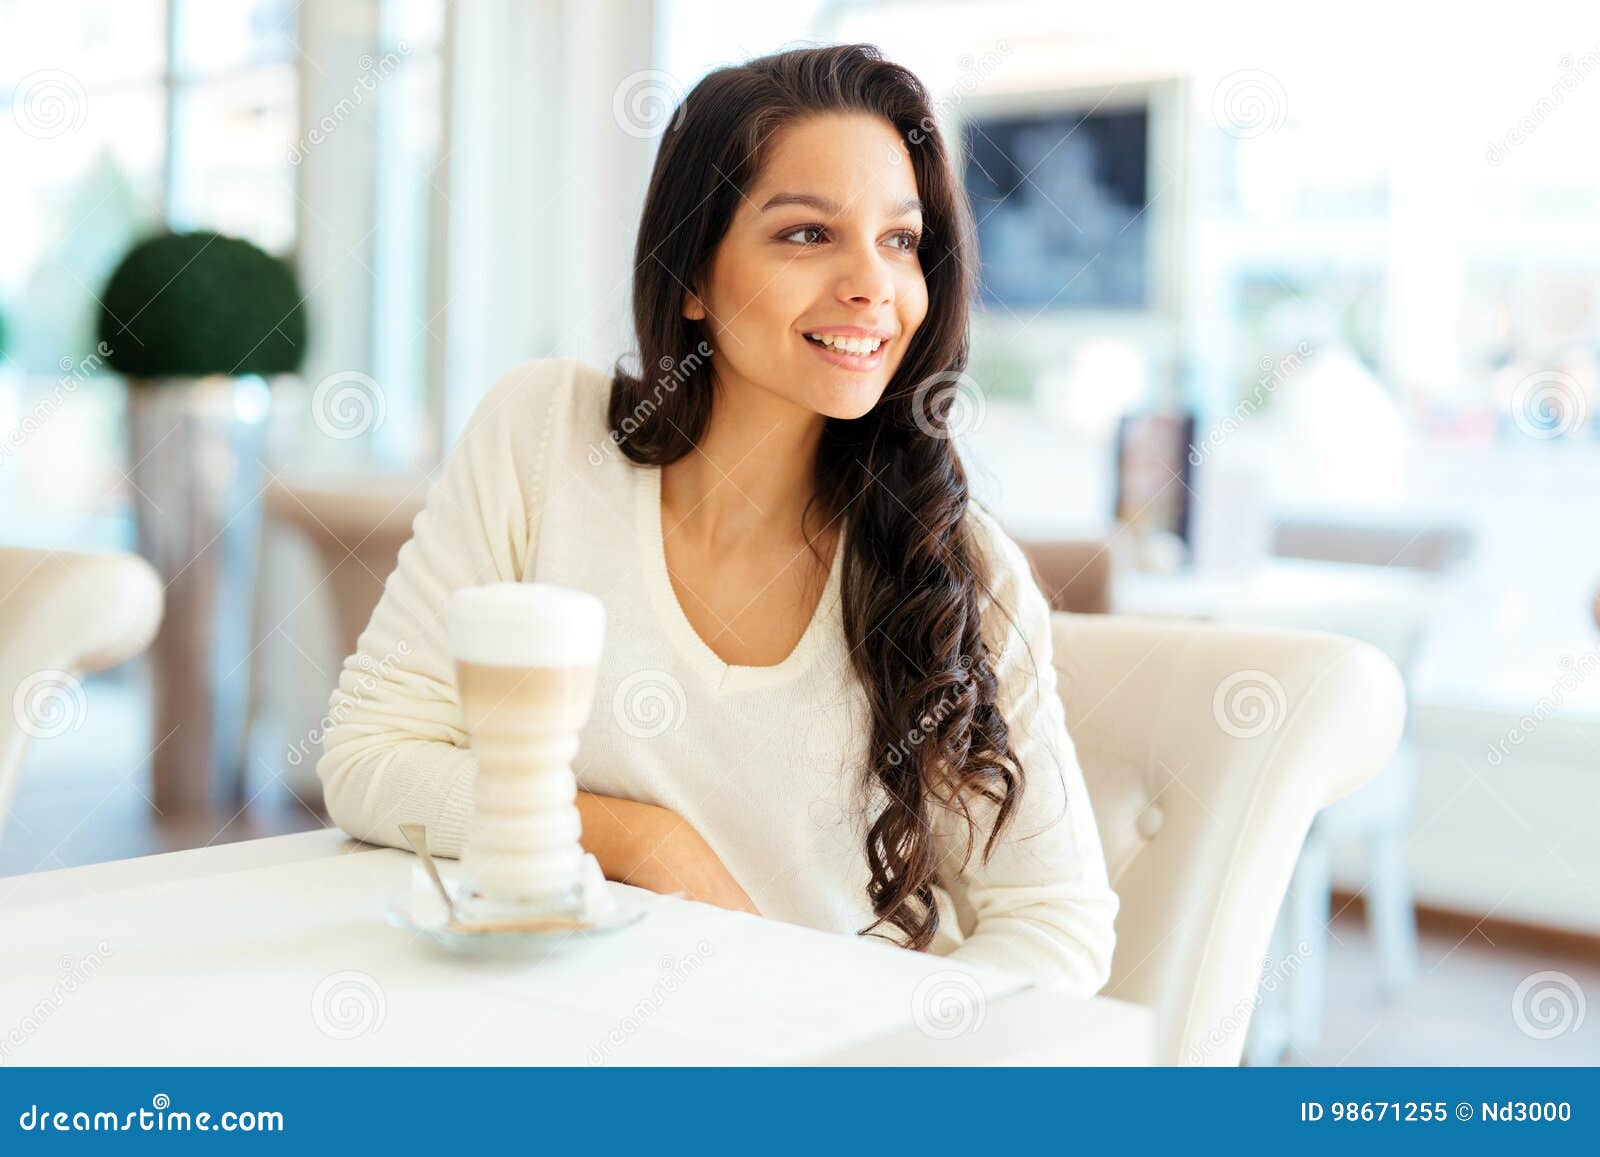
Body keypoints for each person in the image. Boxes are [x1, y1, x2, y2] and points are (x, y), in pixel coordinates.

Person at [318, 43, 1119, 991]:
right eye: (808, 234)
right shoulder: (543, 436)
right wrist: (642, 841)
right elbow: (371, 759)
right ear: (692, 274)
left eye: (902, 241)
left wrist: (878, 1049)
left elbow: (1056, 923)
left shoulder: (959, 566)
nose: (872, 283)